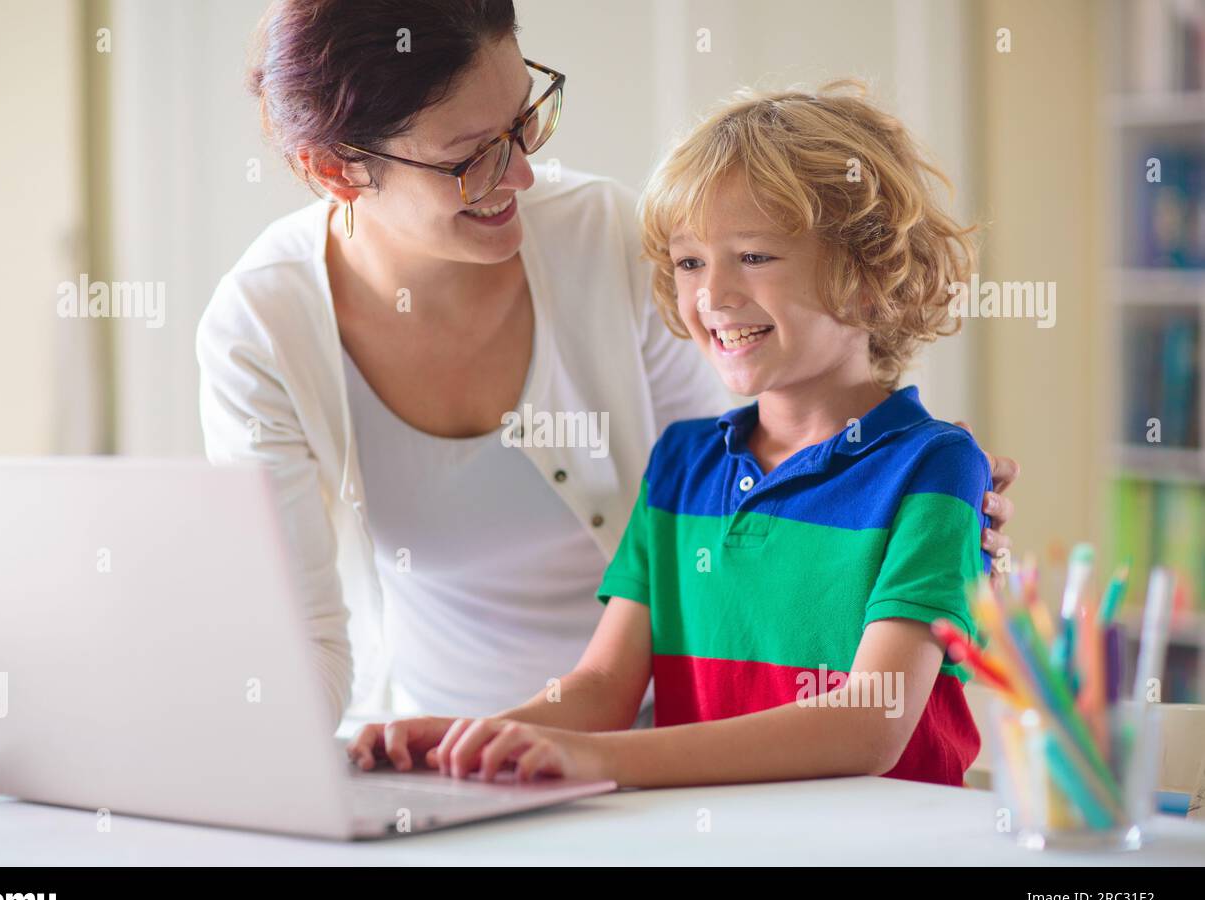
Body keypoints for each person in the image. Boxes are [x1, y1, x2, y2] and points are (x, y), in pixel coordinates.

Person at [196, 0, 1018, 727]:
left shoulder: (605, 239)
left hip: (660, 743)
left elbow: (773, 463)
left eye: (525, 120)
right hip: (471, 750)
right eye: (471, 154)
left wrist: (910, 495)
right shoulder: (261, 330)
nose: (520, 172)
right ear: (335, 170)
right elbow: (296, 636)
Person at [349, 81, 999, 787]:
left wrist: (598, 758)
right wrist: (465, 739)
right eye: (690, 262)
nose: (712, 296)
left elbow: (868, 724)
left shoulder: (935, 465)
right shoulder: (682, 464)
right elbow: (602, 686)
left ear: (871, 274)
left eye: (754, 256)